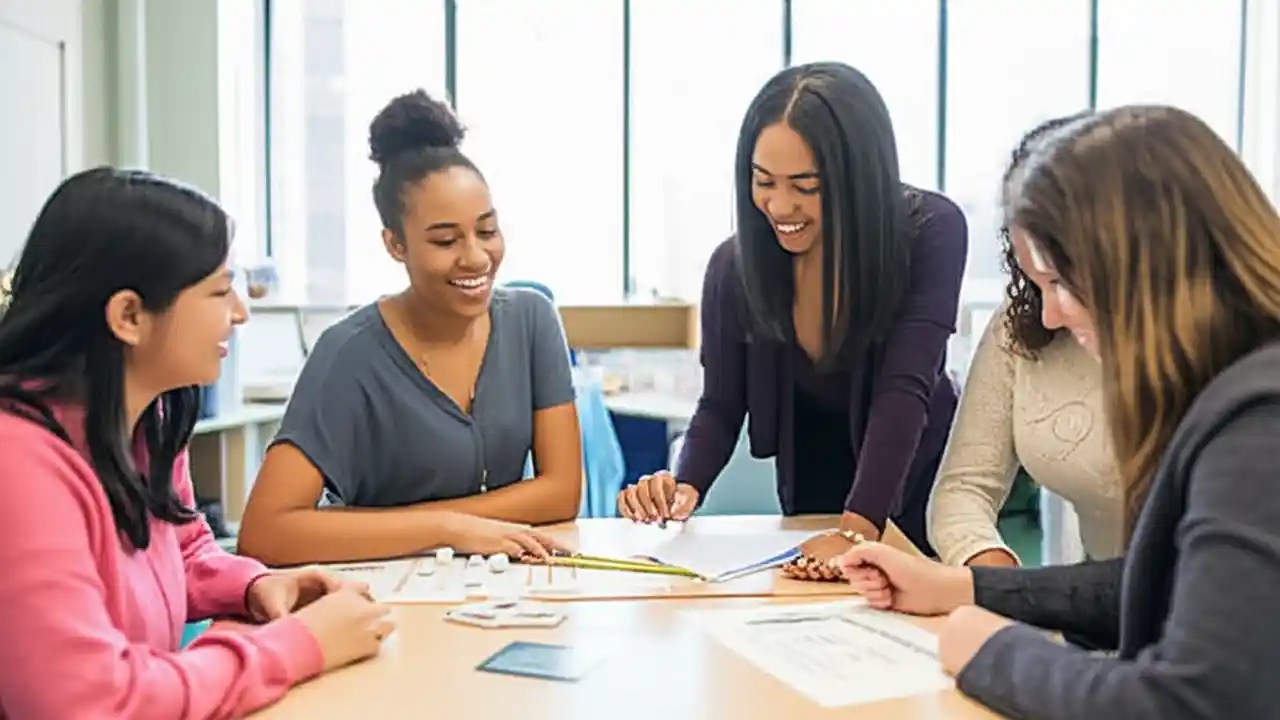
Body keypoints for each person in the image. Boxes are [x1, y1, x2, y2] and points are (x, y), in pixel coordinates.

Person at [840, 105, 1280, 718]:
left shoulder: (1260, 419)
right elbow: (1159, 582)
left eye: (1060, 283)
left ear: (1142, 266)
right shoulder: (1241, 387)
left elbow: (1188, 702)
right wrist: (966, 587)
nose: (1050, 316)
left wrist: (993, 653)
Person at [0, 168, 393, 718]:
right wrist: (301, 644)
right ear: (130, 316)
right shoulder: (17, 461)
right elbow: (86, 700)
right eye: (218, 289)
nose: (240, 312)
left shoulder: (146, 418)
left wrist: (256, 584)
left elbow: (184, 551)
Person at [616, 62, 967, 554]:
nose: (780, 207)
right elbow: (720, 404)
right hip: (811, 491)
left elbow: (903, 389)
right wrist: (684, 485)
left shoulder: (930, 231)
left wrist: (856, 532)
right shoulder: (734, 268)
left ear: (859, 178)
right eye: (764, 181)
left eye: (806, 187)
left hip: (916, 485)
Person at [238, 90, 582, 566]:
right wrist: (448, 530)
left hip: (503, 585)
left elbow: (560, 493)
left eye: (486, 231)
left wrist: (452, 528)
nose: (476, 257)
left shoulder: (532, 318)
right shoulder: (349, 353)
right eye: (445, 240)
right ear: (395, 244)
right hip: (387, 594)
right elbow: (266, 531)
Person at [927, 112, 1124, 568]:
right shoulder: (1023, 321)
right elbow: (962, 489)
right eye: (1034, 281)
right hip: (1101, 611)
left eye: (1059, 281)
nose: (1050, 313)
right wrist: (996, 581)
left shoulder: (1233, 354)